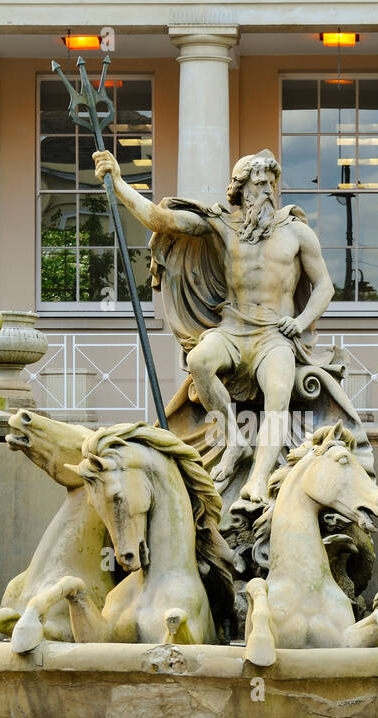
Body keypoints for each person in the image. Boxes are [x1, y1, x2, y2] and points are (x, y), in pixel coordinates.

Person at [93, 147, 336, 507]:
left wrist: (299, 323)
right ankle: (235, 442)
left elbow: (325, 286)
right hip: (232, 329)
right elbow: (161, 220)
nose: (267, 190)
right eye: (258, 183)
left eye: (272, 182)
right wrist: (117, 182)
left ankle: (258, 479)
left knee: (280, 391)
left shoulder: (296, 232)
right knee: (200, 362)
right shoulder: (221, 226)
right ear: (240, 189)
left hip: (274, 335)